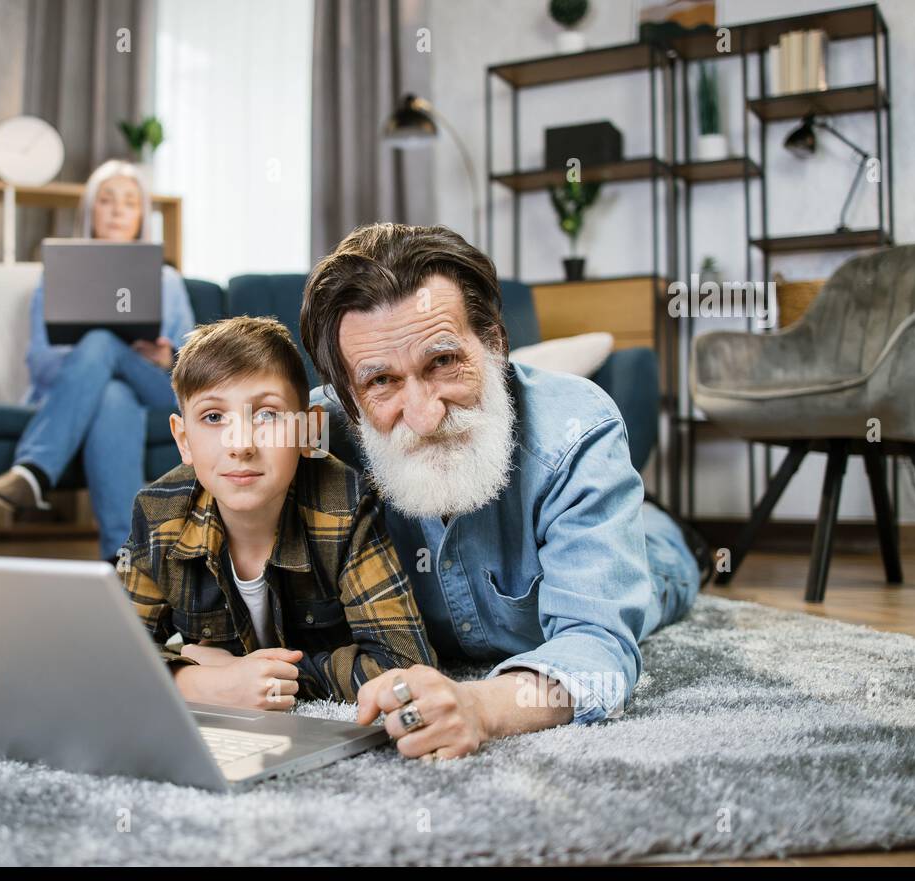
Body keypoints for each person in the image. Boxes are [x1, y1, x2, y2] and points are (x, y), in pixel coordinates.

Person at [297, 223, 712, 756]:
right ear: (347, 398)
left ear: (493, 344)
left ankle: (669, 532)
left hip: (652, 557)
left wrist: (479, 707)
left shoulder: (579, 428)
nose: (424, 417)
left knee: (664, 568)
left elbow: (601, 645)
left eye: (443, 361)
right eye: (381, 382)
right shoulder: (312, 437)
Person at [117, 316, 437, 708]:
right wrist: (197, 680)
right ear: (184, 440)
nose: (240, 445)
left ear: (309, 432)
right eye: (213, 417)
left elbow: (404, 665)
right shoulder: (157, 514)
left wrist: (250, 674)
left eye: (267, 414)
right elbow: (111, 656)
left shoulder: (346, 504)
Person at [0, 159, 195, 561]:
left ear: (141, 216)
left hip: (154, 385)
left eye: (129, 203)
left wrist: (166, 357)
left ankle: (35, 470)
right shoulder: (55, 277)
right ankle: (126, 558)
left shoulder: (167, 280)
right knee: (111, 392)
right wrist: (94, 362)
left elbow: (193, 371)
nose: (116, 210)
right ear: (89, 211)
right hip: (96, 391)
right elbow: (41, 364)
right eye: (106, 201)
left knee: (101, 341)